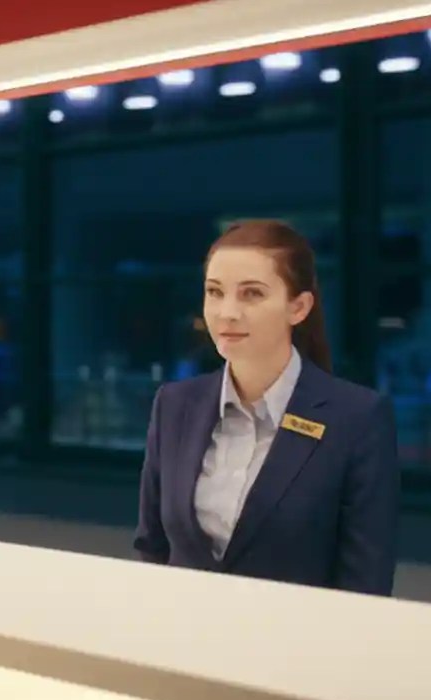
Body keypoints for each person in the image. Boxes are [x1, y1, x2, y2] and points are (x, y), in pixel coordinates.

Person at [132, 220, 399, 595]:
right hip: (182, 645)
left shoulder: (356, 419)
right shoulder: (175, 405)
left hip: (293, 648)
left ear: (299, 307)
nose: (227, 312)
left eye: (252, 294)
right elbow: (152, 549)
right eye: (214, 292)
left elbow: (365, 586)